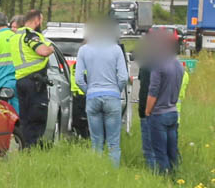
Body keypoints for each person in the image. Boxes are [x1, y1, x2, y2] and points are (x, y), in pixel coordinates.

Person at [75, 20, 129, 166]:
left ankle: (97, 170)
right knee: (113, 143)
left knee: (96, 142)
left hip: (92, 97)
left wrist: (89, 92)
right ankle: (113, 172)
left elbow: (78, 79)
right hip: (112, 96)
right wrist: (116, 91)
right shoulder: (116, 49)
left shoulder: (84, 50)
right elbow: (123, 77)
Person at [140, 30, 185, 174]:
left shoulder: (158, 66)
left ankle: (164, 180)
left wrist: (148, 111)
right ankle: (175, 177)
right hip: (173, 112)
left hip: (159, 114)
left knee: (160, 153)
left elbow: (153, 92)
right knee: (172, 152)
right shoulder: (179, 65)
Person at [13, 9, 57, 147]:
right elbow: (43, 51)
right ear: (37, 21)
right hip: (34, 83)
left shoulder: (16, 36)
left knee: (25, 119)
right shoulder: (30, 35)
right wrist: (51, 48)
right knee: (37, 118)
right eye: (41, 20)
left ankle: (25, 148)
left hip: (21, 81)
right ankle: (33, 148)